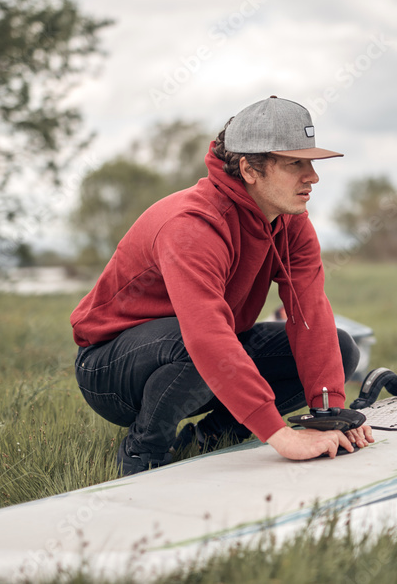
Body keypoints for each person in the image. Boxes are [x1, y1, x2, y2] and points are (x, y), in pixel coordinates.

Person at [71, 95, 374, 476]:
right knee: (198, 344)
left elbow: (309, 310)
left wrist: (328, 414)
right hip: (111, 369)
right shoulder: (192, 224)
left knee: (342, 346)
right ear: (249, 168)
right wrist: (279, 435)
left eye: (311, 162)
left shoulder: (290, 220)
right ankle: (144, 449)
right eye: (295, 163)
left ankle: (213, 437)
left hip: (198, 348)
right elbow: (206, 336)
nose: (312, 176)